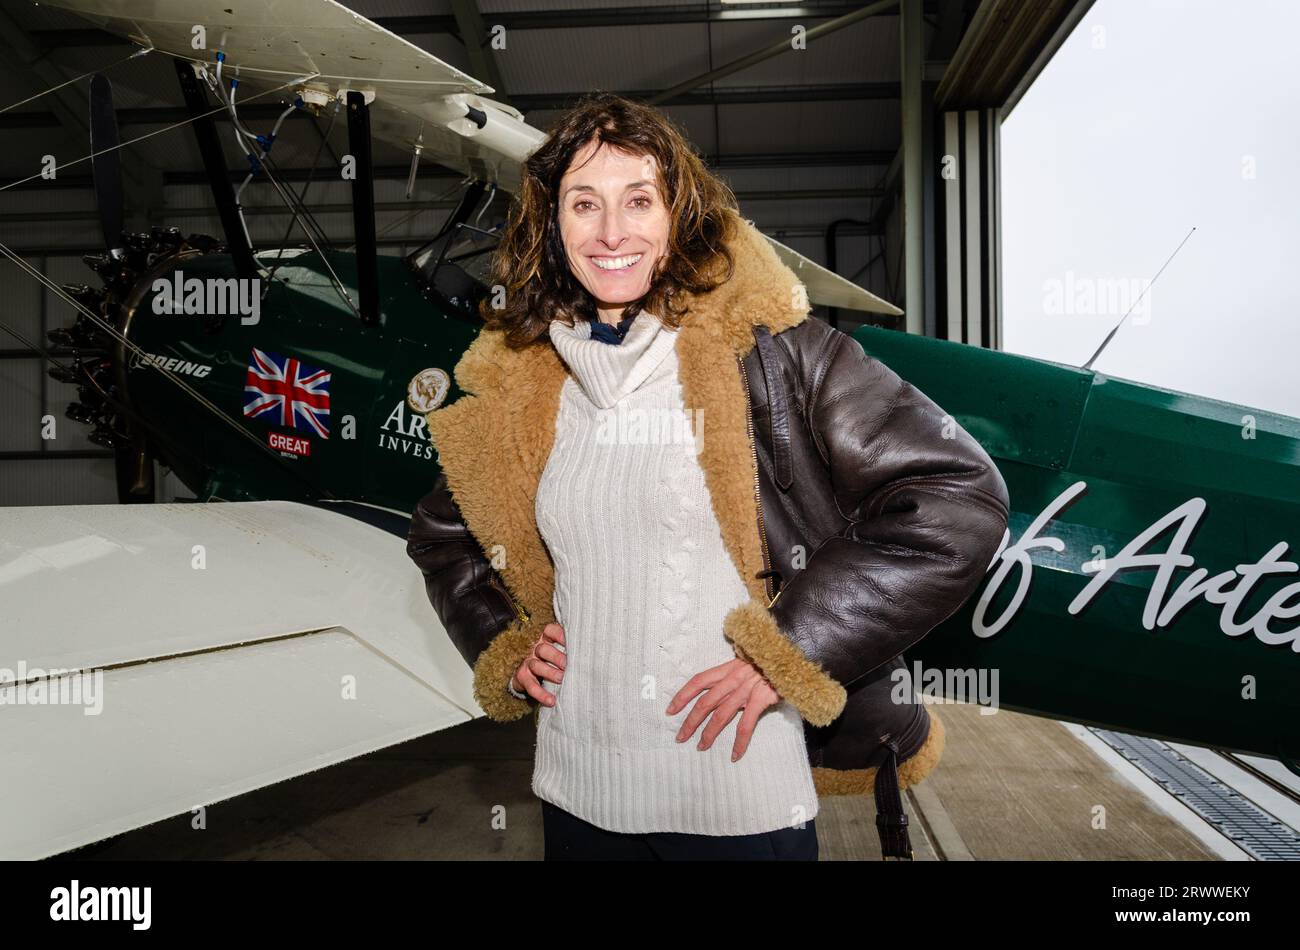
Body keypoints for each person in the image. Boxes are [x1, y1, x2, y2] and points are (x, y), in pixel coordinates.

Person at [407, 93, 1010, 861]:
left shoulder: (774, 354)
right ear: (552, 227)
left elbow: (958, 496)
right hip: (577, 799)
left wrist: (792, 646)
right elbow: (441, 539)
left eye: (638, 201)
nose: (613, 231)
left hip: (736, 807)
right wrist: (504, 642)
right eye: (583, 204)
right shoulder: (525, 389)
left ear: (677, 216)